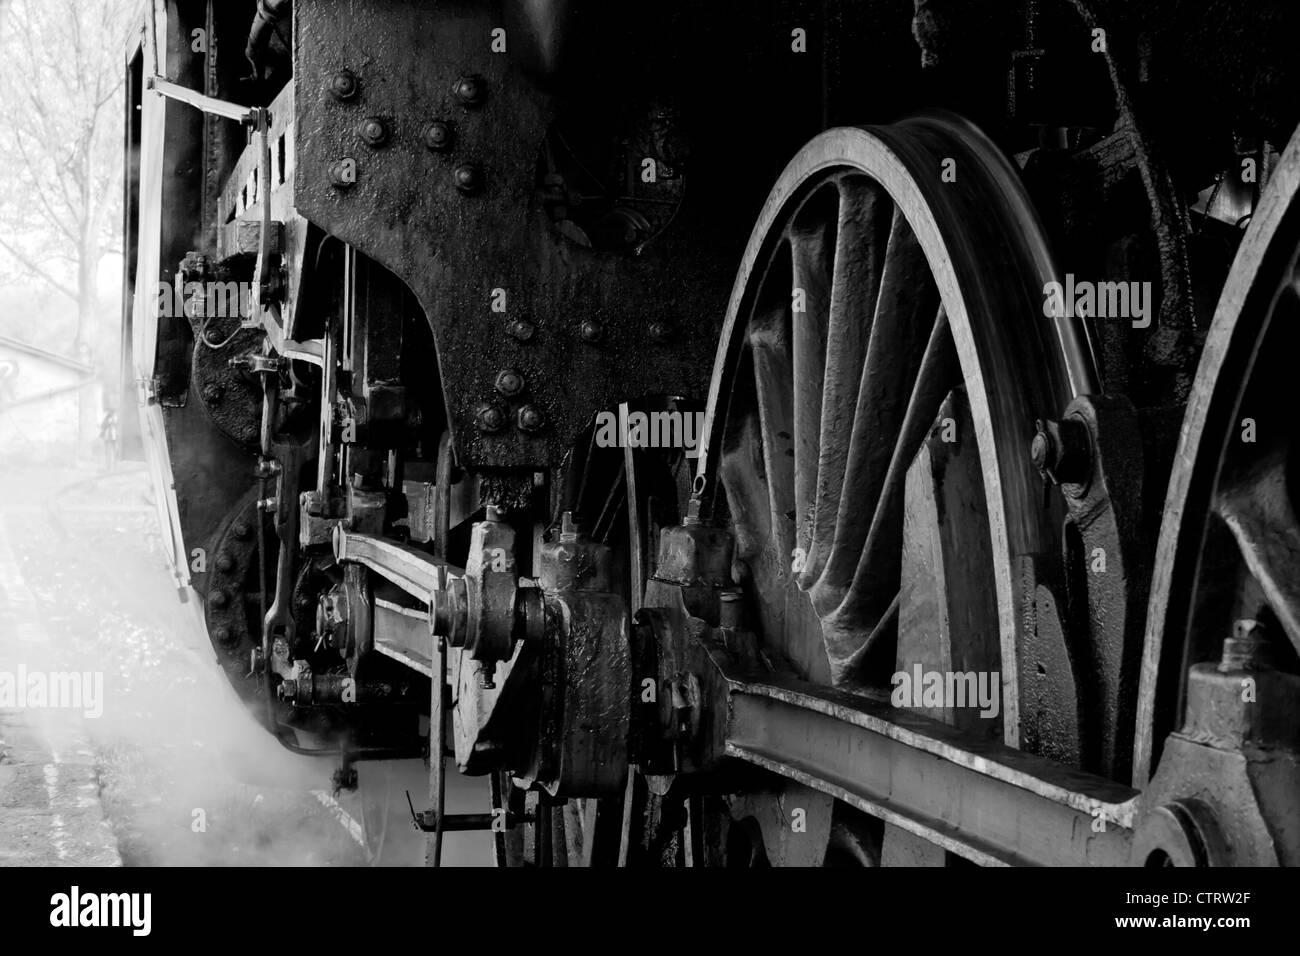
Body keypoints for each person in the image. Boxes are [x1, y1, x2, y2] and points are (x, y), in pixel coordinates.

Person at [99, 407, 118, 472]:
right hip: (108, 439)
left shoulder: (116, 419)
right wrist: (108, 423)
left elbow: (117, 427)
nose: (113, 414)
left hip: (114, 438)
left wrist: (113, 422)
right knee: (108, 454)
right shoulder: (106, 419)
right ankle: (109, 467)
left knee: (115, 453)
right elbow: (102, 426)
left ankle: (114, 467)